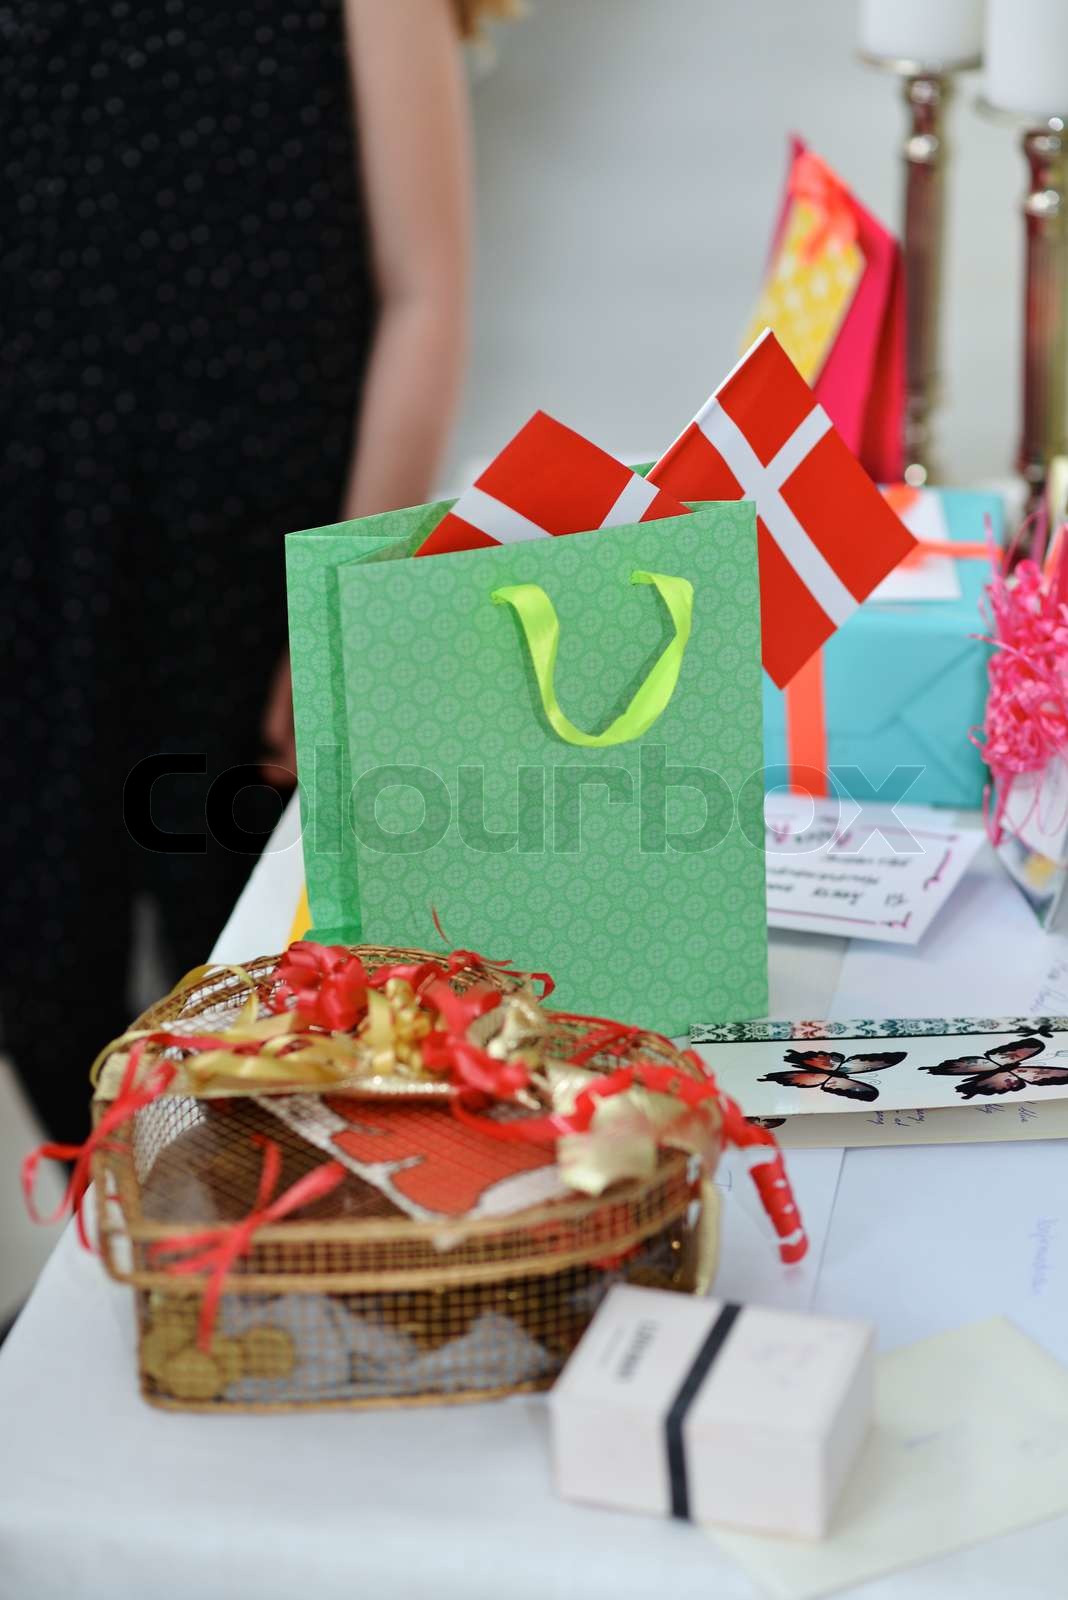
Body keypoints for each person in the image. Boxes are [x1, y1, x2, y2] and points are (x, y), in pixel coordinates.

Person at [0, 0, 513, 1147]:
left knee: (255, 957)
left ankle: (234, 1240)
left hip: (248, 563)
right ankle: (130, 1230)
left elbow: (426, 291)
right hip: (36, 536)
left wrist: (339, 604)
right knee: (38, 957)